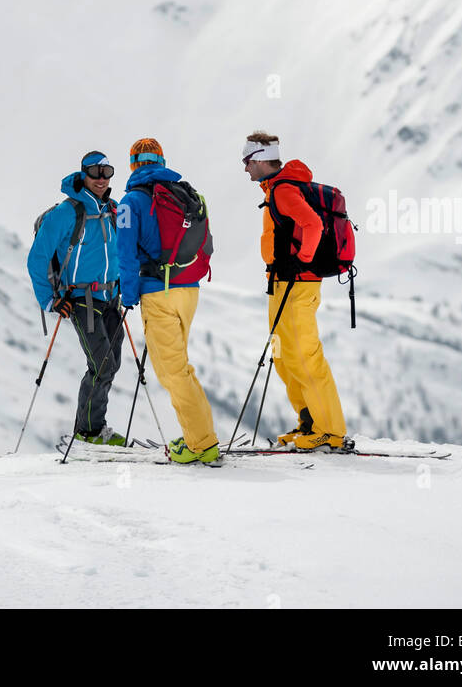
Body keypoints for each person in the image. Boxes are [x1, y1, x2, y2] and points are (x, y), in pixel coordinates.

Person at [242, 131, 347, 450]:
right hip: (282, 282)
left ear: (260, 159)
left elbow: (313, 224)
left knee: (305, 355)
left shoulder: (284, 191)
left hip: (298, 284)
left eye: (247, 161)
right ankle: (309, 423)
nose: (246, 168)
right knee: (285, 356)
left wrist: (301, 261)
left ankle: (330, 432)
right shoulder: (277, 189)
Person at [117, 137, 219, 465]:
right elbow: (205, 244)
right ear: (161, 161)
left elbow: (125, 255)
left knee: (172, 372)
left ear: (134, 164)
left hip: (156, 292)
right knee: (180, 367)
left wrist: (128, 296)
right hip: (189, 290)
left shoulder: (130, 203)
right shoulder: (190, 196)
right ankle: (202, 437)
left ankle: (201, 444)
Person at [27, 150, 126, 445]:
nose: (101, 178)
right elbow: (38, 257)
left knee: (112, 363)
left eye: (106, 171)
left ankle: (95, 428)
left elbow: (122, 251)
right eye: (95, 172)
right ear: (83, 174)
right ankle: (87, 433)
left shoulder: (113, 208)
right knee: (102, 364)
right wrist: (50, 300)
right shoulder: (67, 212)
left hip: (112, 297)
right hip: (81, 299)